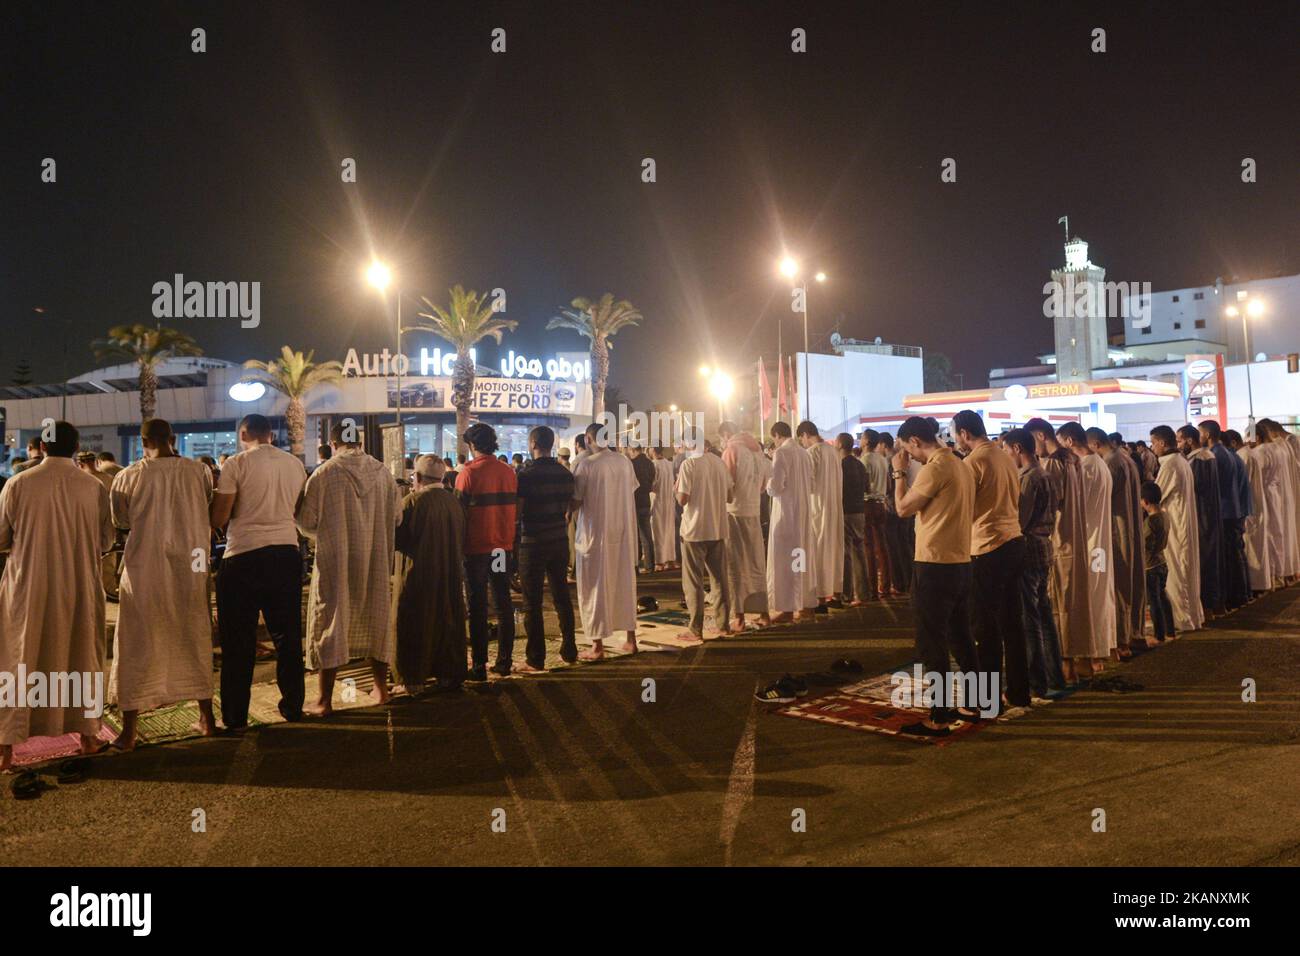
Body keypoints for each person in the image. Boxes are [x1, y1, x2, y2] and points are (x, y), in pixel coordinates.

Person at [0, 421, 115, 770]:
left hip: (27, 587)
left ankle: (5, 748)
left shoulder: (18, 484)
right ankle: (88, 736)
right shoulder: (93, 487)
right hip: (79, 584)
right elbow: (106, 542)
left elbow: (1, 539)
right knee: (81, 655)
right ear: (77, 446)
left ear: (43, 448)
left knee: (19, 659)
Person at [109, 418, 216, 748]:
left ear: (142, 441)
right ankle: (207, 718)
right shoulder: (199, 472)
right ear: (173, 438)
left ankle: (128, 732)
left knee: (136, 641)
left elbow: (121, 521)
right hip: (191, 564)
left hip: (144, 568)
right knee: (193, 633)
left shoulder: (128, 477)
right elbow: (208, 505)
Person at [210, 413, 309, 728]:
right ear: (270, 434)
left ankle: (235, 716)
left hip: (244, 555)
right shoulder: (294, 465)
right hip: (286, 551)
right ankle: (293, 706)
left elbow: (219, 516)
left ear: (243, 433)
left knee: (238, 641)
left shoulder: (236, 464)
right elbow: (296, 509)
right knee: (288, 637)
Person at [296, 421, 401, 714]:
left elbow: (306, 522)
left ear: (333, 444)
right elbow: (397, 518)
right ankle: (381, 690)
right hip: (375, 559)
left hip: (335, 560)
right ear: (361, 442)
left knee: (331, 620)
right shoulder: (383, 474)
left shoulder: (325, 473)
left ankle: (324, 701)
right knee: (376, 619)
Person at [891, 416, 980, 735]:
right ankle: (976, 702)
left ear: (915, 441)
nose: (909, 455)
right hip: (960, 560)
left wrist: (899, 472)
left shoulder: (936, 467)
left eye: (907, 448)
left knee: (933, 642)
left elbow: (902, 508)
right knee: (962, 638)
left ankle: (939, 717)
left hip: (934, 564)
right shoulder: (960, 464)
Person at [952, 410, 1029, 708]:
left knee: (985, 626)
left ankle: (987, 698)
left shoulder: (974, 462)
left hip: (987, 546)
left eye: (956, 434)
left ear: (964, 434)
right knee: (1012, 622)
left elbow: (965, 506)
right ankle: (1020, 692)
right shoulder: (1003, 456)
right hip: (1013, 539)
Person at [1023, 419, 1095, 681]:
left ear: (1041, 435)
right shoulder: (1072, 460)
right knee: (1076, 601)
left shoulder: (1053, 462)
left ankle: (1068, 664)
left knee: (1061, 603)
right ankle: (1083, 660)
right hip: (1075, 538)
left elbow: (1050, 504)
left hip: (1061, 539)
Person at [392, 455, 468, 690]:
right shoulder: (453, 502)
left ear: (419, 477)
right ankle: (448, 675)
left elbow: (397, 540)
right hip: (450, 572)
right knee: (447, 623)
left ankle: (412, 679)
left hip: (418, 575)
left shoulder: (413, 502)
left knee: (412, 623)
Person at [1003, 428, 1064, 700]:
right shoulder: (1047, 474)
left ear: (1017, 448)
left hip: (1029, 550)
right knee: (1043, 614)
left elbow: (1021, 520)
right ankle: (1054, 675)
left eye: (1006, 449)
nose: (1006, 455)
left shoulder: (1029, 478)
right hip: (1044, 547)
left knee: (1030, 619)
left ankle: (1036, 682)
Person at [455, 423, 518, 680]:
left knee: (478, 606)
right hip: (501, 548)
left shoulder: (467, 474)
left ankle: (479, 666)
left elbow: (459, 515)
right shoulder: (509, 472)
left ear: (472, 446)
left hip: (476, 549)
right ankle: (504, 662)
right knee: (503, 603)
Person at [571, 421, 639, 658]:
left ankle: (597, 646)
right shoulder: (624, 462)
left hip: (595, 535)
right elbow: (629, 490)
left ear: (589, 440)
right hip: (621, 533)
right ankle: (631, 638)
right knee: (624, 583)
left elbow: (576, 501)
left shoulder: (587, 465)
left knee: (594, 587)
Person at [515, 426, 577, 669]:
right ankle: (570, 649)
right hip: (559, 540)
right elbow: (570, 507)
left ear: (532, 444)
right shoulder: (564, 474)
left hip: (533, 542)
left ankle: (535, 657)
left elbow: (518, 512)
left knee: (532, 601)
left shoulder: (525, 475)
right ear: (551, 444)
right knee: (561, 595)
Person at [1058, 422, 1116, 668]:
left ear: (1069, 441)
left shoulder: (1087, 466)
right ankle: (1102, 649)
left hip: (1091, 544)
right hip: (1099, 541)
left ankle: (1093, 653)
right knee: (1100, 594)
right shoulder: (1100, 463)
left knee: (1091, 595)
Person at [1088, 427, 1147, 655]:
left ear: (1094, 444)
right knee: (1131, 581)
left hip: (1117, 529)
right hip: (1129, 527)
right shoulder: (1125, 458)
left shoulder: (1111, 463)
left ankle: (1123, 639)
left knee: (1120, 583)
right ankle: (1134, 633)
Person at [673, 426, 734, 642]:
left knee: (693, 582)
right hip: (717, 528)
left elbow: (682, 499)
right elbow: (730, 496)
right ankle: (723, 624)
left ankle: (695, 628)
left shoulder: (689, 464)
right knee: (719, 580)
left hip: (694, 530)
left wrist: (675, 489)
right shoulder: (719, 463)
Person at [1149, 425, 1204, 632]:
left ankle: (1183, 619)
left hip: (1176, 526)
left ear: (1163, 443)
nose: (1152, 448)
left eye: (1154, 443)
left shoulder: (1171, 464)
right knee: (1184, 571)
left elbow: (1157, 495)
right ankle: (1191, 617)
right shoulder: (1180, 461)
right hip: (1182, 524)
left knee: (1178, 572)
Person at [719, 421, 771, 629]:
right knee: (757, 562)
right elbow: (763, 486)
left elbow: (726, 485)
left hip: (735, 512)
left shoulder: (732, 450)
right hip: (754, 510)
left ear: (726, 434)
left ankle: (739, 616)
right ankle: (764, 612)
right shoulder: (759, 453)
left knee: (736, 564)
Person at [766, 421, 816, 624]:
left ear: (777, 435)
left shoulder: (782, 453)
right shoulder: (804, 453)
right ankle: (803, 604)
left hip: (786, 515)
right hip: (802, 515)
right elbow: (811, 483)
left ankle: (786, 607)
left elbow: (776, 485)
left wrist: (767, 485)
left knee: (784, 562)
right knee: (800, 560)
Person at [1200, 420, 1251, 610]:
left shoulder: (1216, 455)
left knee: (1230, 556)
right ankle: (1242, 594)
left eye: (1200, 433)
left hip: (1226, 512)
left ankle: (1236, 596)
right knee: (1236, 553)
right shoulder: (1228, 454)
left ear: (1207, 435)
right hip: (1234, 510)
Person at [1177, 424, 1225, 618]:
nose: (1178, 444)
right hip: (1211, 514)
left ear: (1189, 440)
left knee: (1204, 562)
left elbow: (1194, 490)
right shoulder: (1209, 456)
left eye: (1180, 440)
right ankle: (1216, 604)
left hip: (1202, 517)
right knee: (1213, 560)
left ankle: (1207, 606)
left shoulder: (1197, 460)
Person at [798, 421, 844, 610]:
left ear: (806, 434)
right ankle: (837, 593)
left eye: (802, 439)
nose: (803, 443)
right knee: (835, 550)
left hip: (818, 507)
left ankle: (821, 598)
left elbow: (808, 483)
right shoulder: (833, 451)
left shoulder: (812, 453)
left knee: (818, 551)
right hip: (834, 505)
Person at [1256, 420, 1300, 584]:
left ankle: (1281, 572)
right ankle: (1288, 570)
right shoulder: (1281, 446)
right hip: (1283, 491)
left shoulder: (1282, 445)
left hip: (1276, 492)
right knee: (1284, 530)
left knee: (1277, 532)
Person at [1228, 429, 1271, 595]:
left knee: (1253, 548)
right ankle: (1260, 584)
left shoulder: (1243, 456)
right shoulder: (1249, 454)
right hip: (1254, 504)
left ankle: (1256, 585)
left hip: (1249, 506)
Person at [837, 433, 872, 605]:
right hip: (860, 511)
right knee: (860, 551)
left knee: (846, 554)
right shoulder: (859, 464)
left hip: (845, 511)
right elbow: (867, 487)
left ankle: (847, 593)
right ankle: (864, 592)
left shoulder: (839, 466)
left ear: (840, 444)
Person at [1140, 481, 1176, 642]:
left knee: (1154, 601)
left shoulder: (1150, 522)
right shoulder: (1165, 516)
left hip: (1150, 565)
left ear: (1145, 502)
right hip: (1162, 562)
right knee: (1163, 596)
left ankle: (1159, 634)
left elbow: (1145, 544)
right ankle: (1170, 630)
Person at [860, 430, 894, 598]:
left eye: (861, 438)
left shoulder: (865, 460)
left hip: (868, 503)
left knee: (869, 547)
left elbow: (865, 486)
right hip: (881, 503)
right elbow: (888, 485)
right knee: (882, 546)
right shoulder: (882, 459)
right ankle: (886, 585)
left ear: (866, 441)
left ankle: (872, 587)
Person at [628, 443, 657, 573]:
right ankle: (650, 563)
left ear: (633, 450)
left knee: (637, 535)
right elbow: (652, 482)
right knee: (646, 533)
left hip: (635, 502)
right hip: (646, 500)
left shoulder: (632, 464)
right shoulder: (650, 463)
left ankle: (639, 563)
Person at [649, 446, 679, 571]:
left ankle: (659, 561)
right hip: (669, 500)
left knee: (658, 531)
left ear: (654, 451)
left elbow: (653, 484)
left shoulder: (654, 465)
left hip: (657, 500)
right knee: (669, 530)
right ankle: (670, 559)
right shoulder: (669, 464)